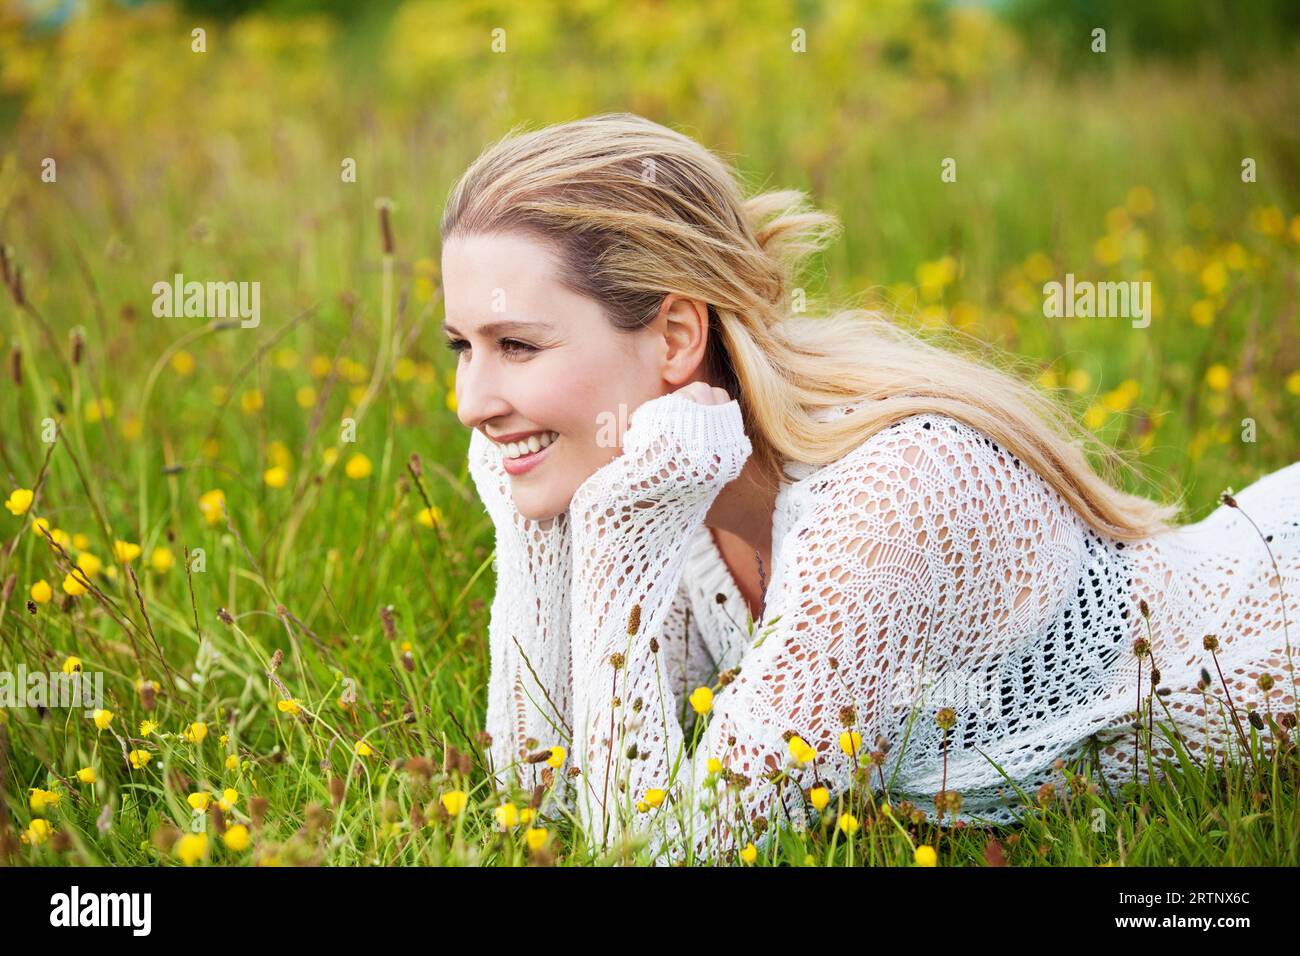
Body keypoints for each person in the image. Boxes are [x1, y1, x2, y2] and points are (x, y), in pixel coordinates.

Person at [440, 112, 1300, 866]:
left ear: (674, 337)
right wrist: (536, 530)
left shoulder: (891, 500)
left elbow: (658, 850)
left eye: (516, 346)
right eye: (461, 348)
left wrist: (620, 531)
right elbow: (542, 800)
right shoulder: (673, 476)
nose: (470, 402)